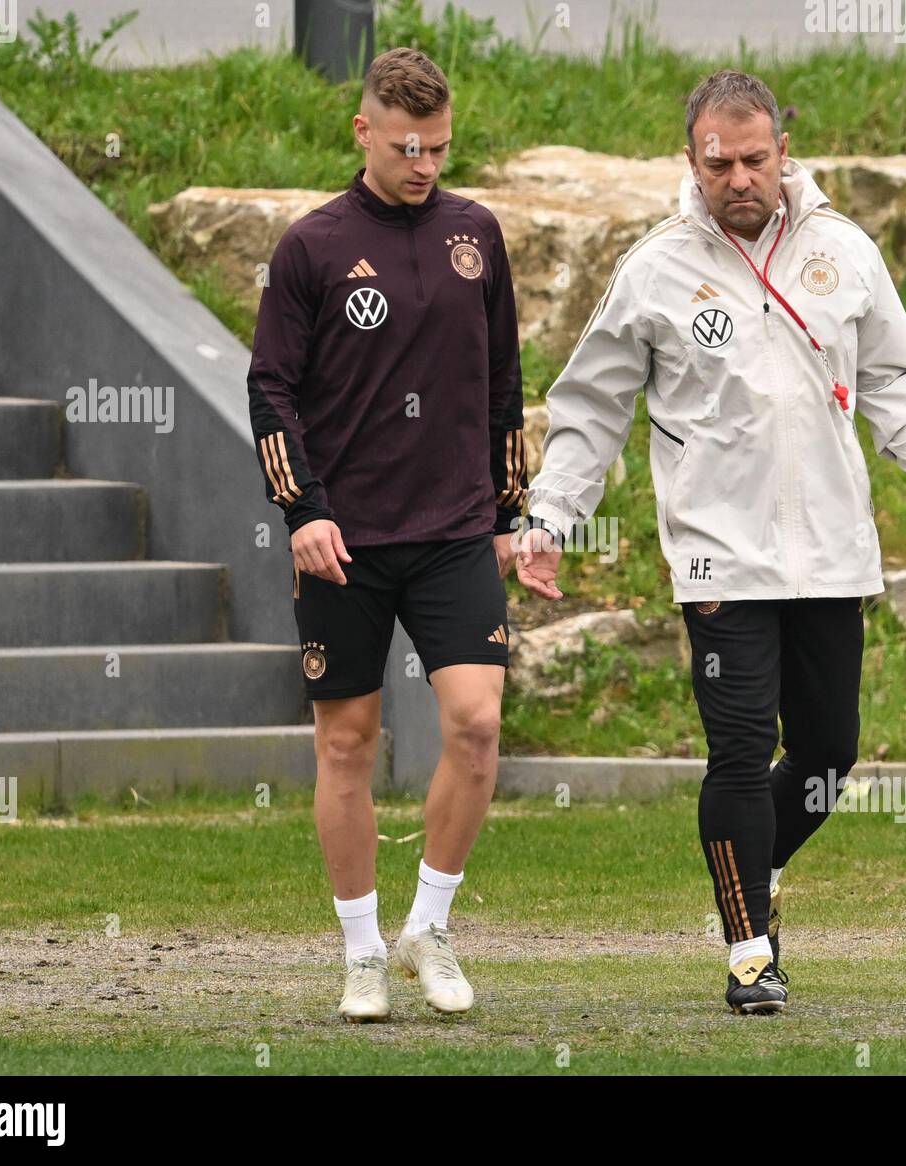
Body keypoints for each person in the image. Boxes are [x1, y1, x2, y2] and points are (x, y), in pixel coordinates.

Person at [517, 69, 906, 1016]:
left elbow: (892, 387)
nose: (739, 178)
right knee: (742, 752)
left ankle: (755, 873)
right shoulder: (655, 269)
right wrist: (550, 519)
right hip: (720, 557)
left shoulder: (844, 251)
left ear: (783, 152)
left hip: (832, 552)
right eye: (719, 164)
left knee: (829, 757)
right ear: (690, 160)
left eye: (755, 159)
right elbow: (591, 409)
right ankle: (749, 951)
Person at [247, 47, 527, 1022]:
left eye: (439, 148)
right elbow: (271, 388)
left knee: (477, 723)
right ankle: (362, 952)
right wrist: (303, 509)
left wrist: (510, 514)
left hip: (454, 528)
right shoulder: (311, 247)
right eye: (408, 147)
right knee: (347, 742)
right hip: (346, 539)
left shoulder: (475, 233)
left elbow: (503, 382)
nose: (425, 165)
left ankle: (429, 928)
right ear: (363, 131)